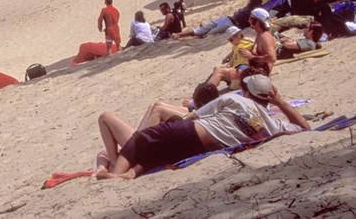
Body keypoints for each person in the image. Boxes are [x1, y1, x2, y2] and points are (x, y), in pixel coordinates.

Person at [94, 74, 309, 180]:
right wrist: (279, 102)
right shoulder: (273, 125)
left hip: (188, 133)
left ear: (246, 91)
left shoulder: (235, 99)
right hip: (197, 148)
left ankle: (114, 169)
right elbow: (305, 128)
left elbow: (191, 117)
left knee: (112, 122)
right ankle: (124, 169)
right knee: (151, 151)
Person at [177, 0, 263, 39]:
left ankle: (182, 35)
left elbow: (252, 24)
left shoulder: (252, 11)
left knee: (206, 32)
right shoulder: (251, 9)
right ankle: (180, 35)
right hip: (228, 21)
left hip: (229, 22)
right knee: (205, 30)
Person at [247, 8, 278, 73]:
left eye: (250, 18)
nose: (248, 20)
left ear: (257, 21)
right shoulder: (259, 33)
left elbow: (272, 58)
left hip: (262, 71)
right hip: (257, 68)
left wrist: (252, 57)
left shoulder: (265, 37)